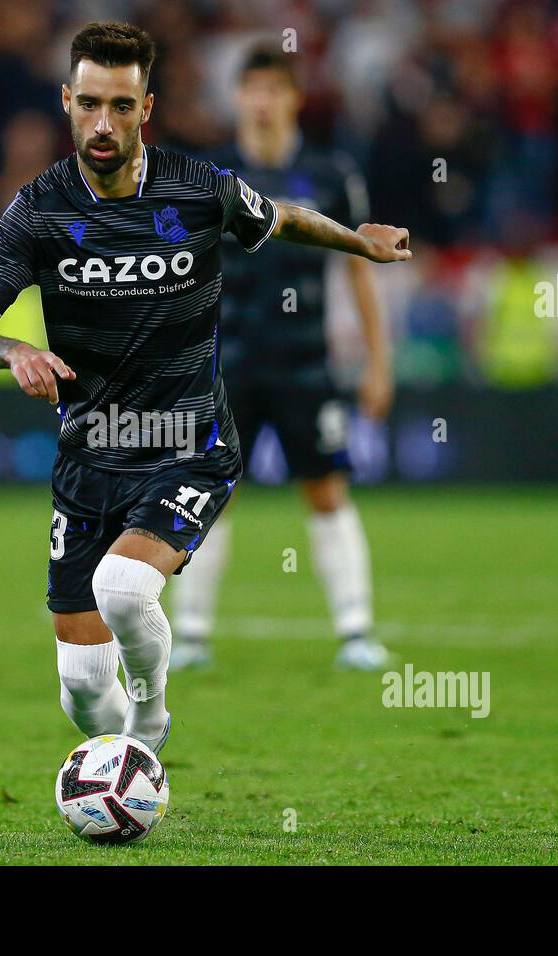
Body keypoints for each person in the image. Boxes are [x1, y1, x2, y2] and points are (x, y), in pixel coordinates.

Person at [0, 22, 411, 751]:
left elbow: (282, 216)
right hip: (90, 456)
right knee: (83, 693)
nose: (103, 123)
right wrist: (11, 351)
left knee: (125, 590)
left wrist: (360, 241)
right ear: (67, 100)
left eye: (121, 106)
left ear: (146, 109)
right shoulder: (37, 208)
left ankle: (154, 717)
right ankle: (114, 757)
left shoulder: (199, 190)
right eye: (90, 103)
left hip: (188, 441)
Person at [170, 45, 394, 672]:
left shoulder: (332, 174)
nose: (263, 101)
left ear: (295, 97)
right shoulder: (210, 176)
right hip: (224, 367)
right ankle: (190, 636)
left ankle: (356, 632)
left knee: (326, 489)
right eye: (253, 89)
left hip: (305, 367)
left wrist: (378, 362)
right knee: (210, 493)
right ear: (238, 97)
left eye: (275, 89)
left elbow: (361, 274)